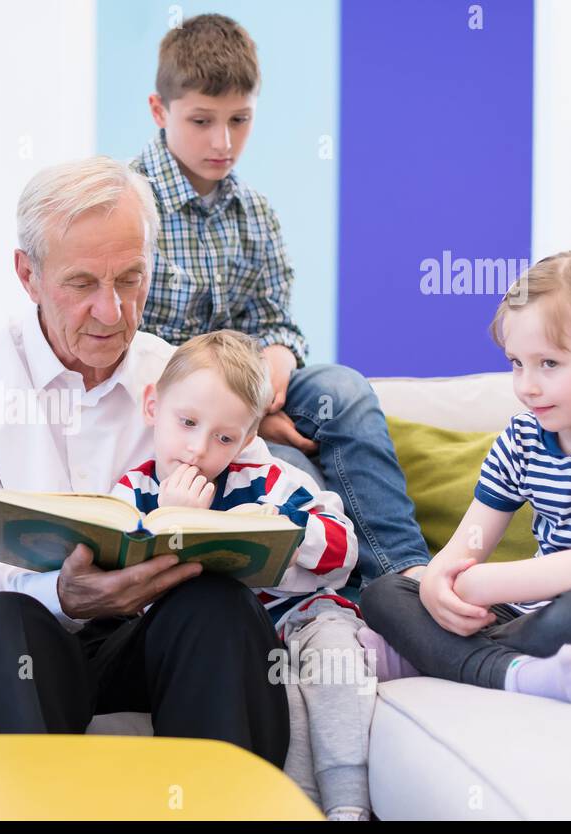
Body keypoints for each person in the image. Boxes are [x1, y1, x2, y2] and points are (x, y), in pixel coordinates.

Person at [0, 157, 289, 763]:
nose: (113, 312)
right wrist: (60, 593)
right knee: (5, 625)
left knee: (218, 608)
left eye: (131, 280)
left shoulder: (178, 377)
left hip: (136, 639)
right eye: (83, 284)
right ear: (27, 275)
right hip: (9, 641)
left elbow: (269, 496)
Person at [132, 13, 430, 585]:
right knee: (290, 471)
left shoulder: (257, 213)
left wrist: (273, 371)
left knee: (343, 387)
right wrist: (239, 421)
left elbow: (276, 322)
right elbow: (133, 347)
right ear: (158, 110)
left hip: (259, 390)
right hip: (192, 407)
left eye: (239, 121)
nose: (223, 142)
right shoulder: (131, 205)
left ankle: (407, 576)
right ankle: (340, 602)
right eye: (201, 121)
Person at [360, 251, 571, 703]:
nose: (527, 385)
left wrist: (487, 583)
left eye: (549, 364)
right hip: (526, 615)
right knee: (385, 592)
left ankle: (434, 656)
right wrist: (436, 584)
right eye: (516, 363)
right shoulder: (523, 437)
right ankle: (514, 670)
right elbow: (465, 549)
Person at [109, 329, 371, 819]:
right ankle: (300, 807)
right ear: (152, 407)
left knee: (335, 669)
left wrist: (289, 535)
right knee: (282, 701)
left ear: (248, 438)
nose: (197, 448)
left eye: (224, 437)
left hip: (307, 620)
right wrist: (170, 520)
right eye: (186, 422)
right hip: (243, 649)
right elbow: (127, 586)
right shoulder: (135, 492)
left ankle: (350, 803)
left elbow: (345, 550)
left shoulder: (270, 482)